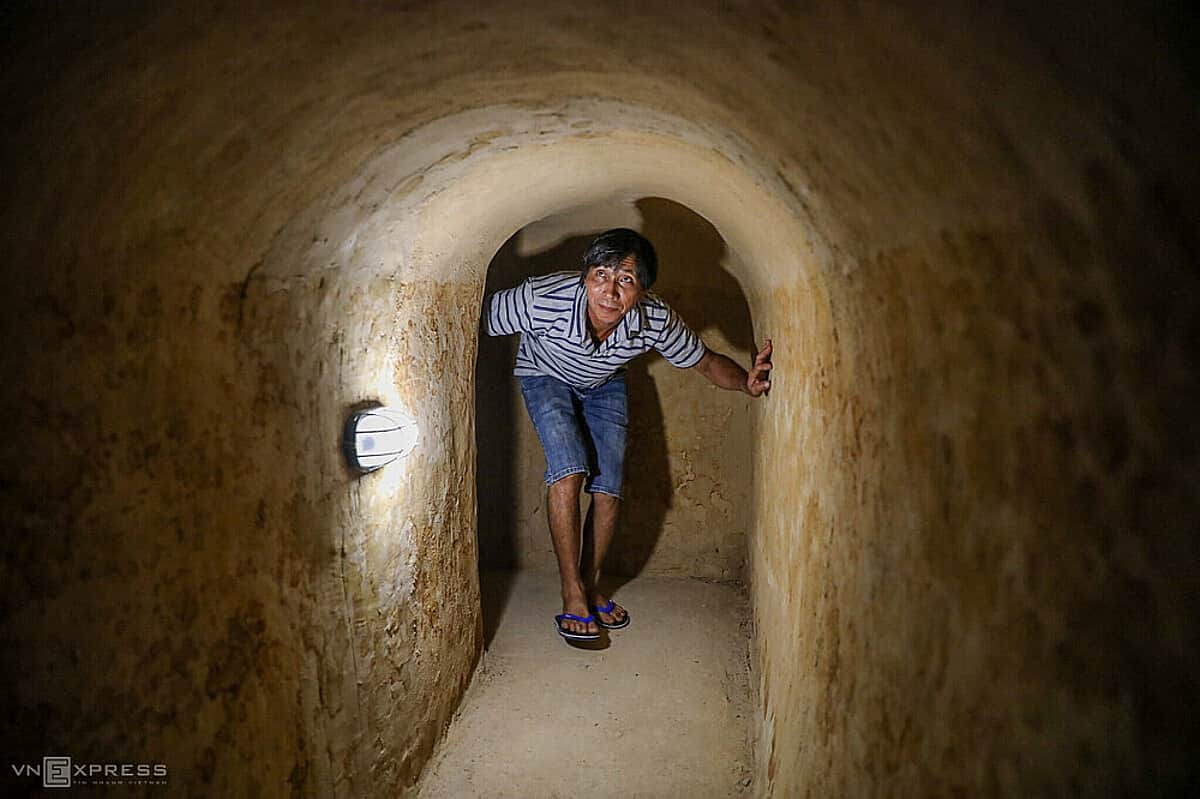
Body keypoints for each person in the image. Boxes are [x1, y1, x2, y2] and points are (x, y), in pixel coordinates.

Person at [484, 228, 772, 641]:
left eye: (626, 280)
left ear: (643, 290)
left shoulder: (655, 319)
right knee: (569, 469)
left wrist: (746, 383)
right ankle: (572, 593)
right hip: (545, 374)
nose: (610, 292)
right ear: (585, 276)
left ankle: (590, 585)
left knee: (608, 488)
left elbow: (706, 362)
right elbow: (471, 316)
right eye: (601, 275)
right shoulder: (541, 298)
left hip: (604, 383)